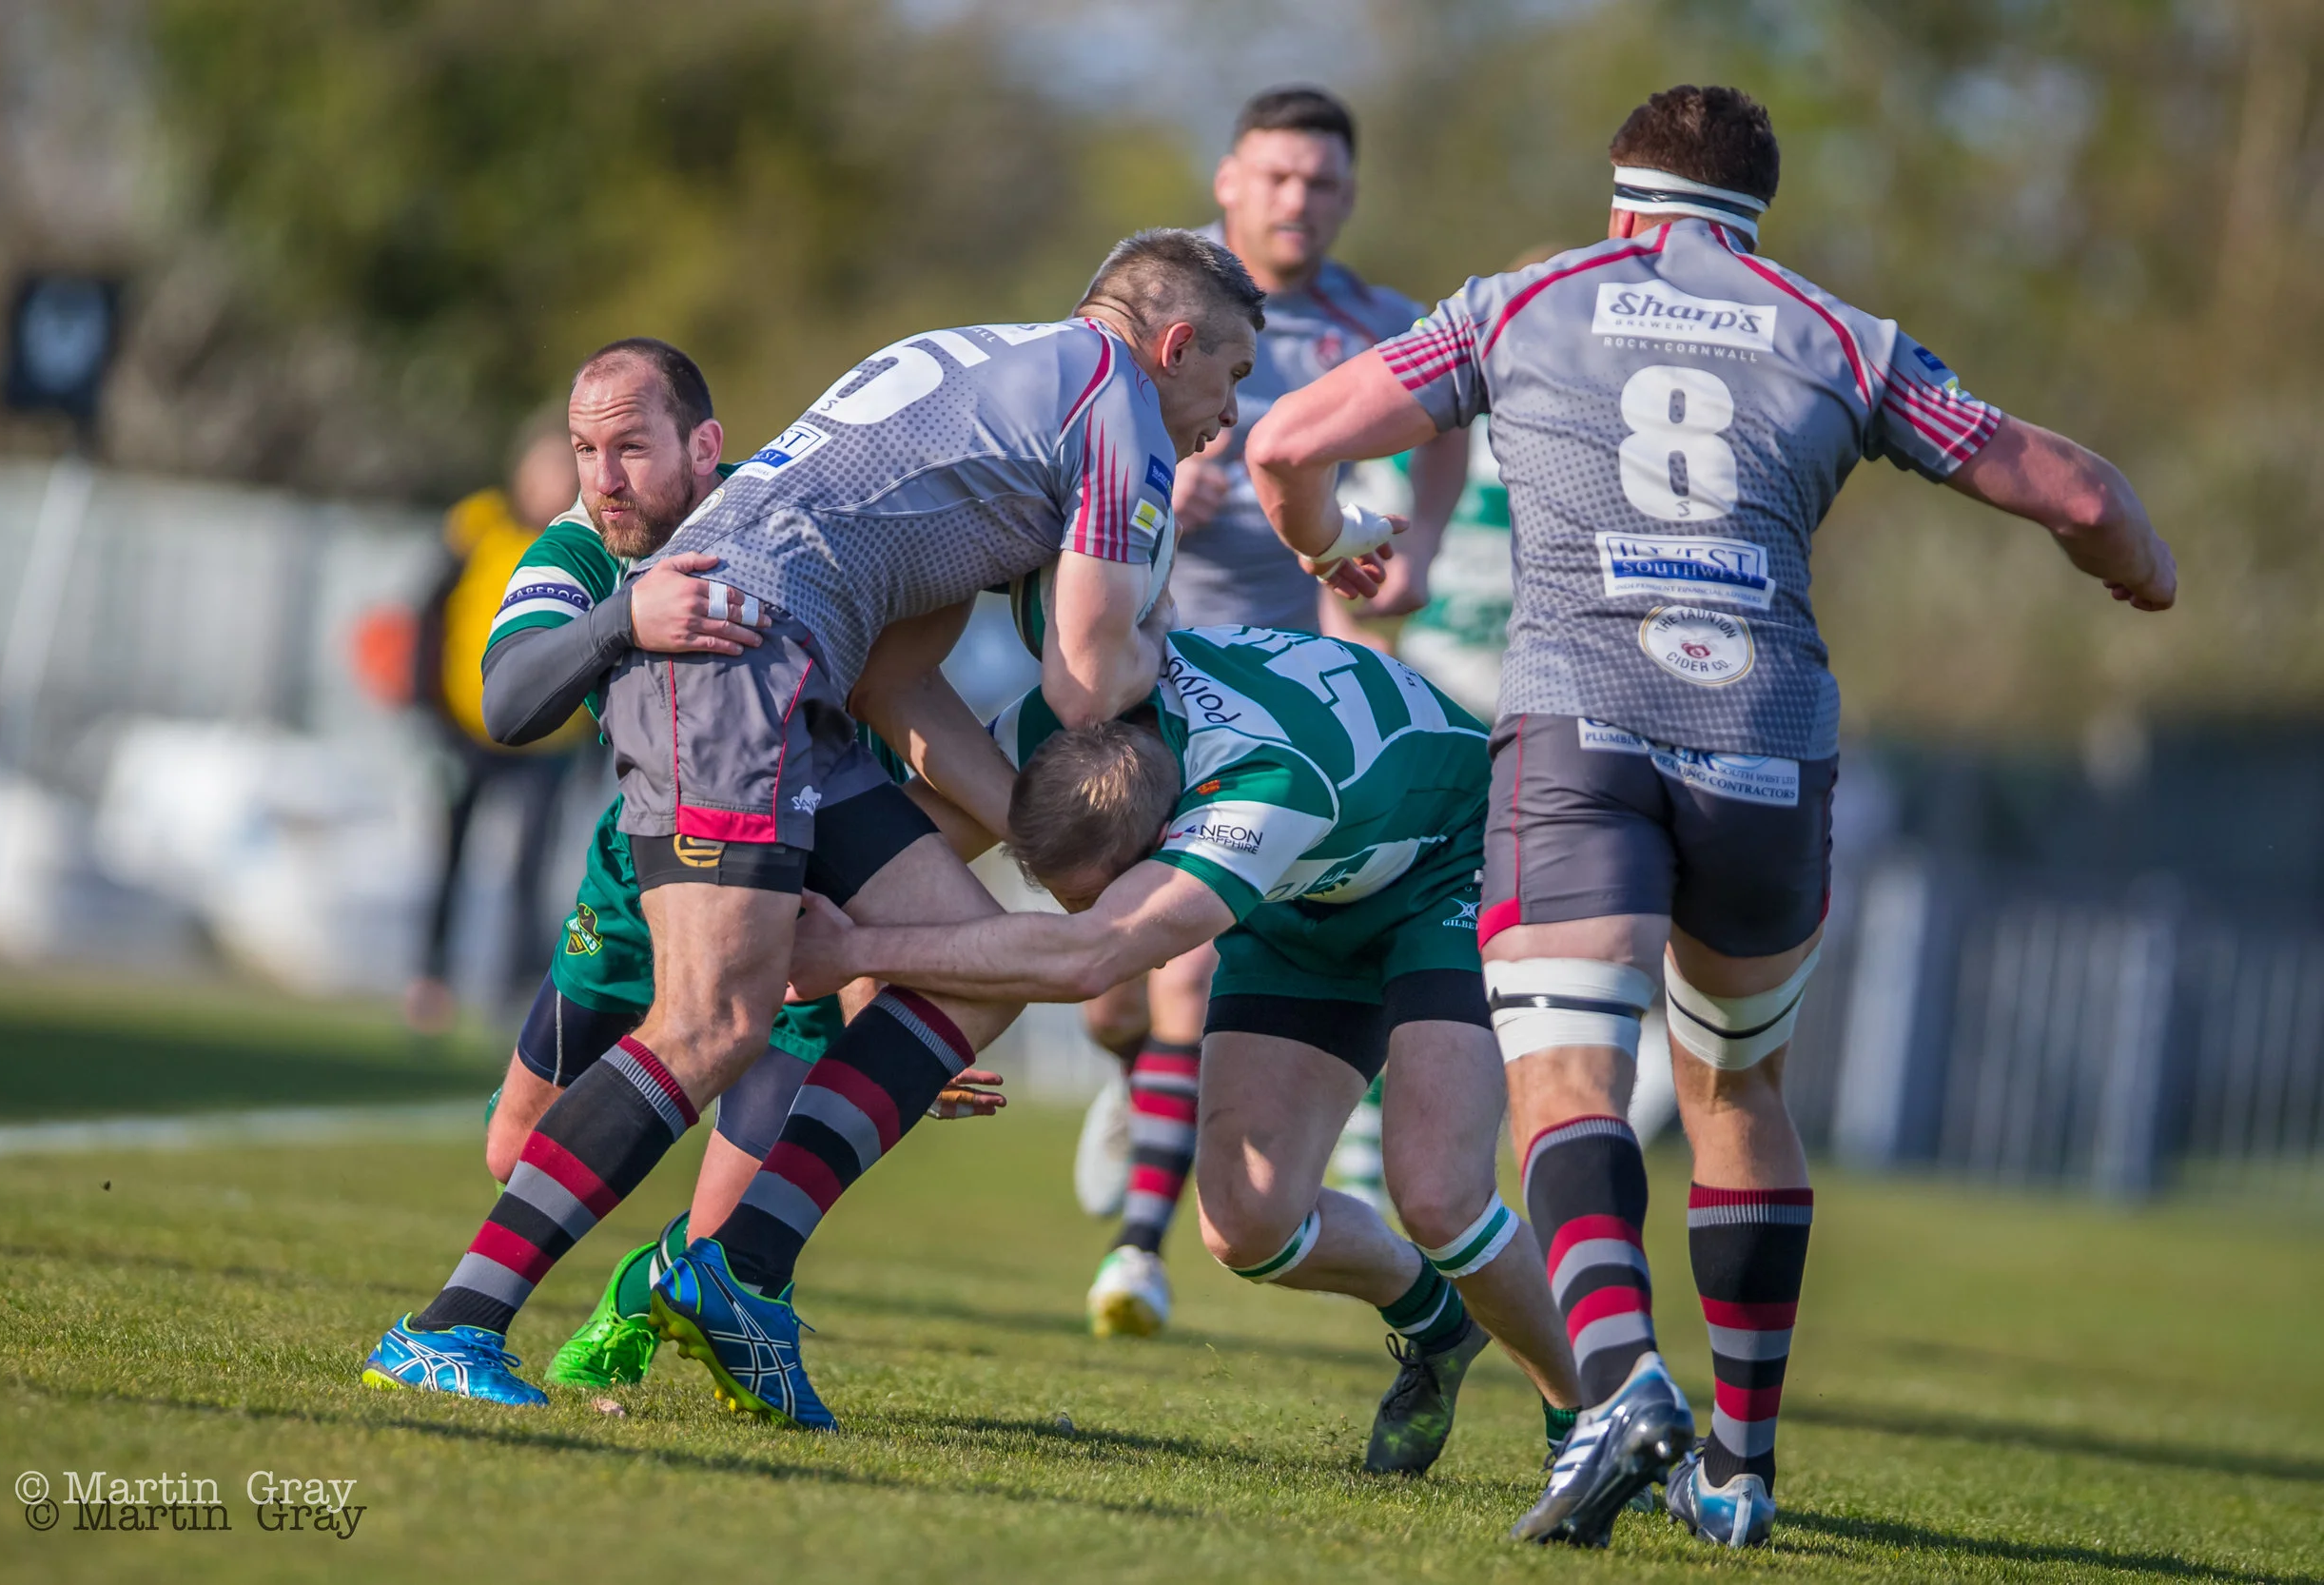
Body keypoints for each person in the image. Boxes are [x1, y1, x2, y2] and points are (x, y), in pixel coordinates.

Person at [1247, 85, 2177, 1548]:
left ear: (1623, 205)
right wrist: (2139, 564)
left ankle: (1618, 1379)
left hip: (1580, 730)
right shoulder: (1839, 334)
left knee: (1566, 1084)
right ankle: (1738, 1466)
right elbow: (2070, 489)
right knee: (1738, 1092)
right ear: (1758, 214)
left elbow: (1293, 440)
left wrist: (1342, 544)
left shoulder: (1526, 301)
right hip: (1765, 743)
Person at [363, 230, 1264, 1427]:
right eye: (1233, 377)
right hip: (735, 654)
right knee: (714, 1020)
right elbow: (1090, 684)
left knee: (976, 971)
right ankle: (450, 1326)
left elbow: (897, 685)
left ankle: (729, 1275)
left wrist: (1047, 849)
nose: (1230, 413)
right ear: (1175, 343)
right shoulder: (1120, 410)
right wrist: (1178, 654)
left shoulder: (983, 371)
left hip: (803, 685)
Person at [785, 623, 1585, 1477]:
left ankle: (1590, 1418)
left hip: (1454, 859)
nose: (1061, 902)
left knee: (1439, 1196)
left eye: (1085, 891)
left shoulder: (1262, 793)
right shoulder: (1070, 721)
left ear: (1170, 838)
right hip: (1313, 876)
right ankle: (1437, 1327)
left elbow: (1089, 955)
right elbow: (911, 840)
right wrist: (875, 1006)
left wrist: (859, 956)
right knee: (1247, 1227)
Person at [454, 376, 1006, 1389]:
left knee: (723, 1243)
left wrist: (888, 1013)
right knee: (514, 1155)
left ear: (705, 444)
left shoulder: (791, 524)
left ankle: (625, 1295)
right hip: (639, 880)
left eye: (630, 448)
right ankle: (472, 1317)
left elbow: (892, 728)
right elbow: (510, 699)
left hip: (806, 882)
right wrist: (626, 617)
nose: (604, 478)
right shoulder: (581, 548)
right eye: (585, 450)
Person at [1074, 85, 1473, 1339]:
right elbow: (1066, 407)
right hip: (1137, 660)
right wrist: (1142, 483)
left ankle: (1139, 1250)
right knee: (1114, 985)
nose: (1299, 200)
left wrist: (1424, 546)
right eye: (1279, 176)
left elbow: (1448, 413)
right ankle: (1137, 1076)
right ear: (1230, 178)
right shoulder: (1156, 288)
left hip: (1271, 701)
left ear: (1347, 198)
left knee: (1187, 957)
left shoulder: (1379, 322)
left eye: (1323, 183)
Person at [401, 417, 591, 1033]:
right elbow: (429, 613)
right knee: (449, 855)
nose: (550, 482)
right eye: (543, 468)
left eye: (564, 471)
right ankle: (432, 979)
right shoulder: (478, 524)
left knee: (530, 866)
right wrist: (426, 704)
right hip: (466, 728)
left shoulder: (584, 542)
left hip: (549, 739)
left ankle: (513, 993)